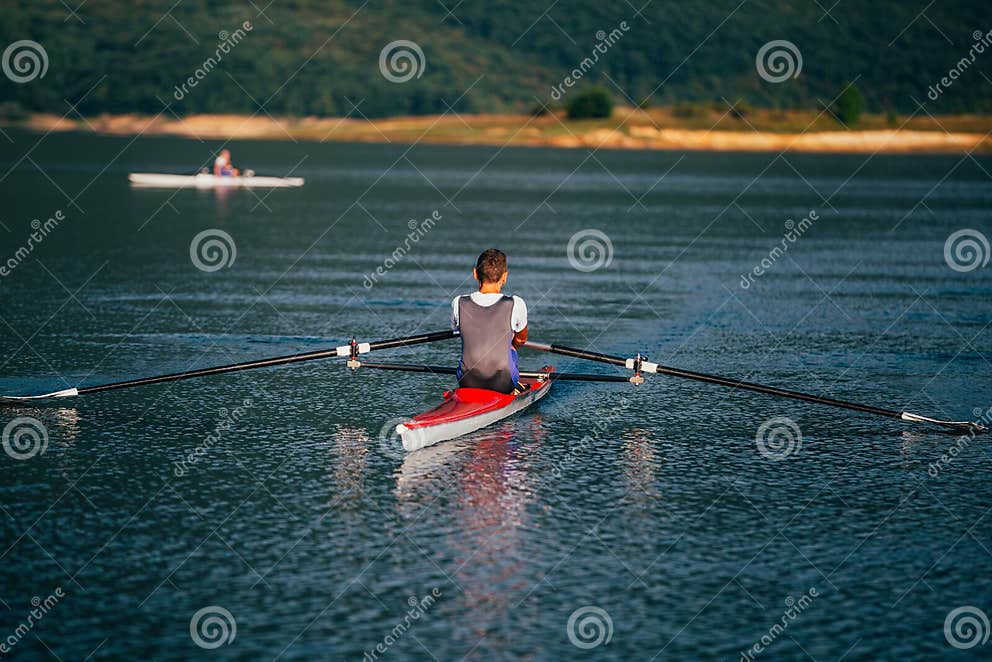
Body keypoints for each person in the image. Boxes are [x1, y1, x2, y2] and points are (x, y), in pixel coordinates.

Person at [452, 249, 528, 395]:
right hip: (503, 382)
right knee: (511, 350)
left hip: (467, 381)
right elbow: (521, 339)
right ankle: (513, 388)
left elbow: (458, 331)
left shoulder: (458, 302)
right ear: (504, 277)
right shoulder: (516, 303)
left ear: (475, 274)